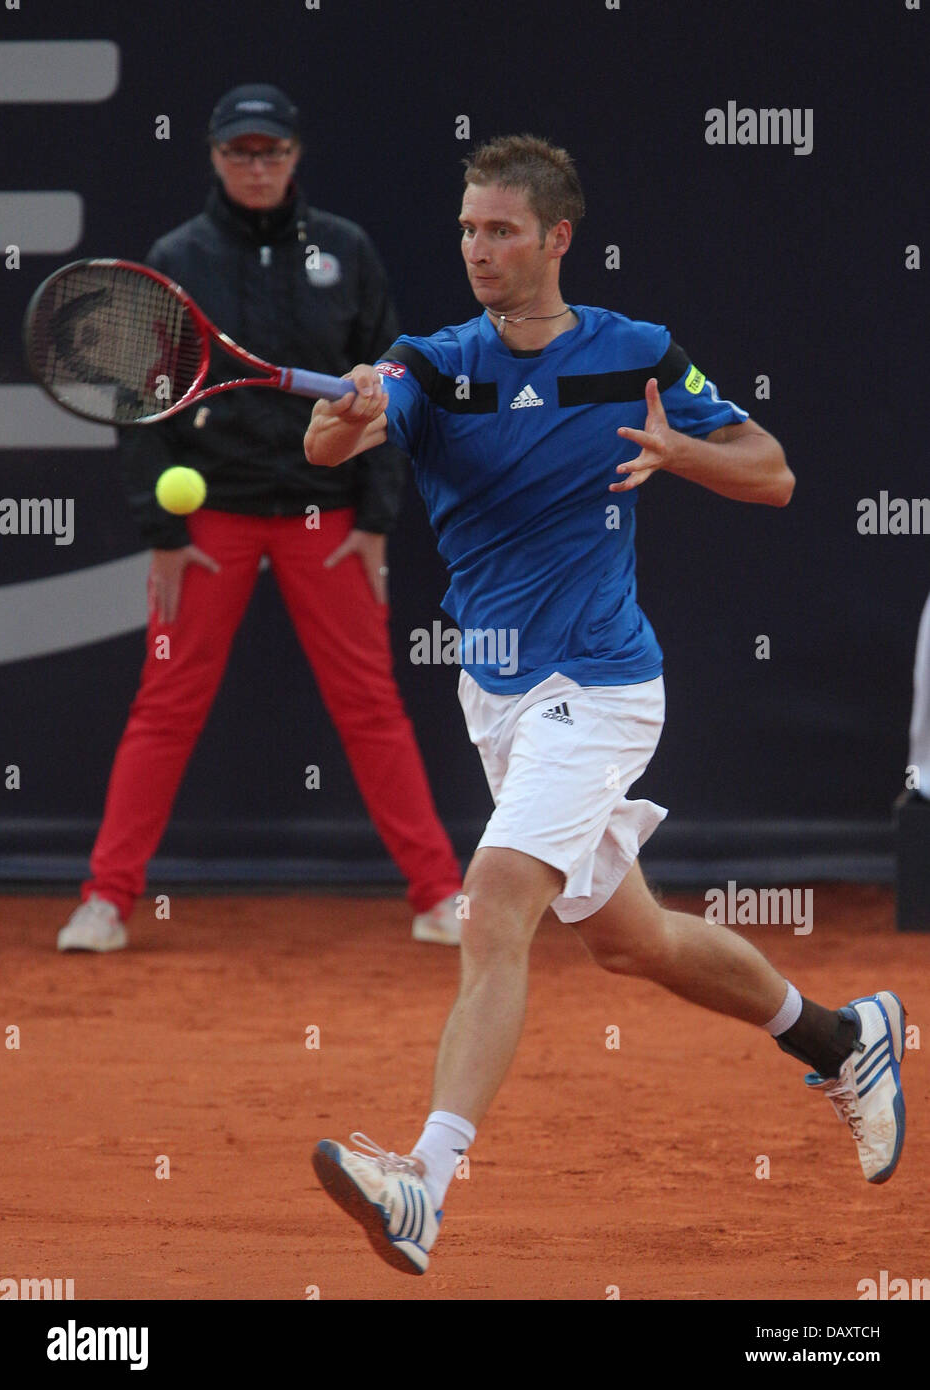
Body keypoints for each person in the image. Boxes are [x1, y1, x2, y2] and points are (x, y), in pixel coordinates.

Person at [302, 135, 907, 1275]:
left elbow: (771, 469)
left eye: (503, 231)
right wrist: (347, 411)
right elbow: (327, 434)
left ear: (558, 238)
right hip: (501, 700)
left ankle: (422, 1181)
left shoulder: (635, 353)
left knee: (493, 903)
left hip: (604, 686)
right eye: (469, 229)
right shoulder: (432, 365)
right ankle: (843, 1037)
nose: (480, 250)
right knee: (633, 943)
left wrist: (682, 451)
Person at [57, 84, 463, 953]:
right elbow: (139, 405)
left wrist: (375, 520)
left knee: (372, 708)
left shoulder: (346, 252)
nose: (255, 166)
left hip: (329, 522)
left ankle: (438, 894)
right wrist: (163, 534)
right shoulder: (176, 257)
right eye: (239, 152)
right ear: (213, 156)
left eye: (270, 151)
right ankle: (106, 899)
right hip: (210, 521)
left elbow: (391, 391)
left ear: (294, 156)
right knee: (164, 708)